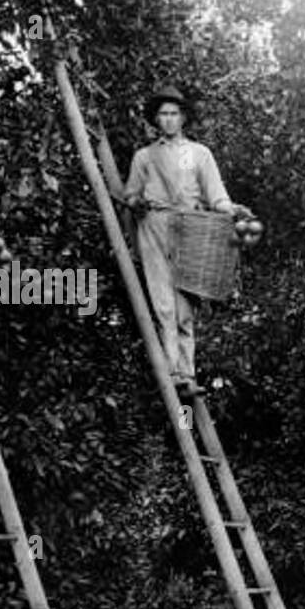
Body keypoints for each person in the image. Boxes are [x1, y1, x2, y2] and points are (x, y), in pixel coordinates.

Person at [123, 85, 249, 398]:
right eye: (162, 114)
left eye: (174, 114)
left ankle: (188, 372)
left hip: (191, 228)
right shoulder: (145, 156)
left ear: (183, 118)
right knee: (163, 303)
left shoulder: (199, 154)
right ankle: (174, 372)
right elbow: (131, 194)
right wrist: (136, 203)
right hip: (154, 225)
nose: (168, 120)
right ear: (155, 119)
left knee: (184, 307)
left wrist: (232, 209)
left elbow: (216, 195)